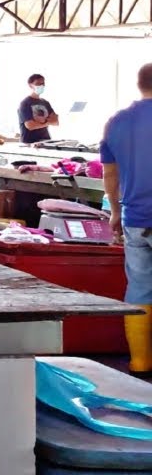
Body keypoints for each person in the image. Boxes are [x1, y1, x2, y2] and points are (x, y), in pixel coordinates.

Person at [102, 63, 152, 375]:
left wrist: (115, 213)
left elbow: (110, 172)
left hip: (135, 218)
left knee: (140, 287)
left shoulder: (116, 121)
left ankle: (141, 362)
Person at [18, 73, 58, 145]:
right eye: (38, 84)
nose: (41, 86)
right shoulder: (25, 103)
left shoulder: (45, 102)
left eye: (42, 83)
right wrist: (48, 122)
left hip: (45, 141)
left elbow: (56, 122)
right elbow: (30, 126)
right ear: (30, 85)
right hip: (30, 143)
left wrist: (39, 122)